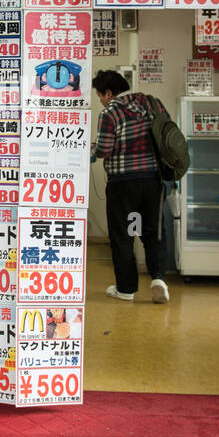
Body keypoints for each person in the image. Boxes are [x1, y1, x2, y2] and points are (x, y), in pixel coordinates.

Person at [92, 70, 169, 304]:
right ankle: (158, 279)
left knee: (124, 235)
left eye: (99, 95)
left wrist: (91, 149)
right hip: (152, 180)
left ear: (108, 92)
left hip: (123, 183)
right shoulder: (152, 103)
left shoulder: (110, 112)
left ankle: (126, 289)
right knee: (152, 232)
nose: (101, 100)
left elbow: (104, 149)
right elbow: (166, 134)